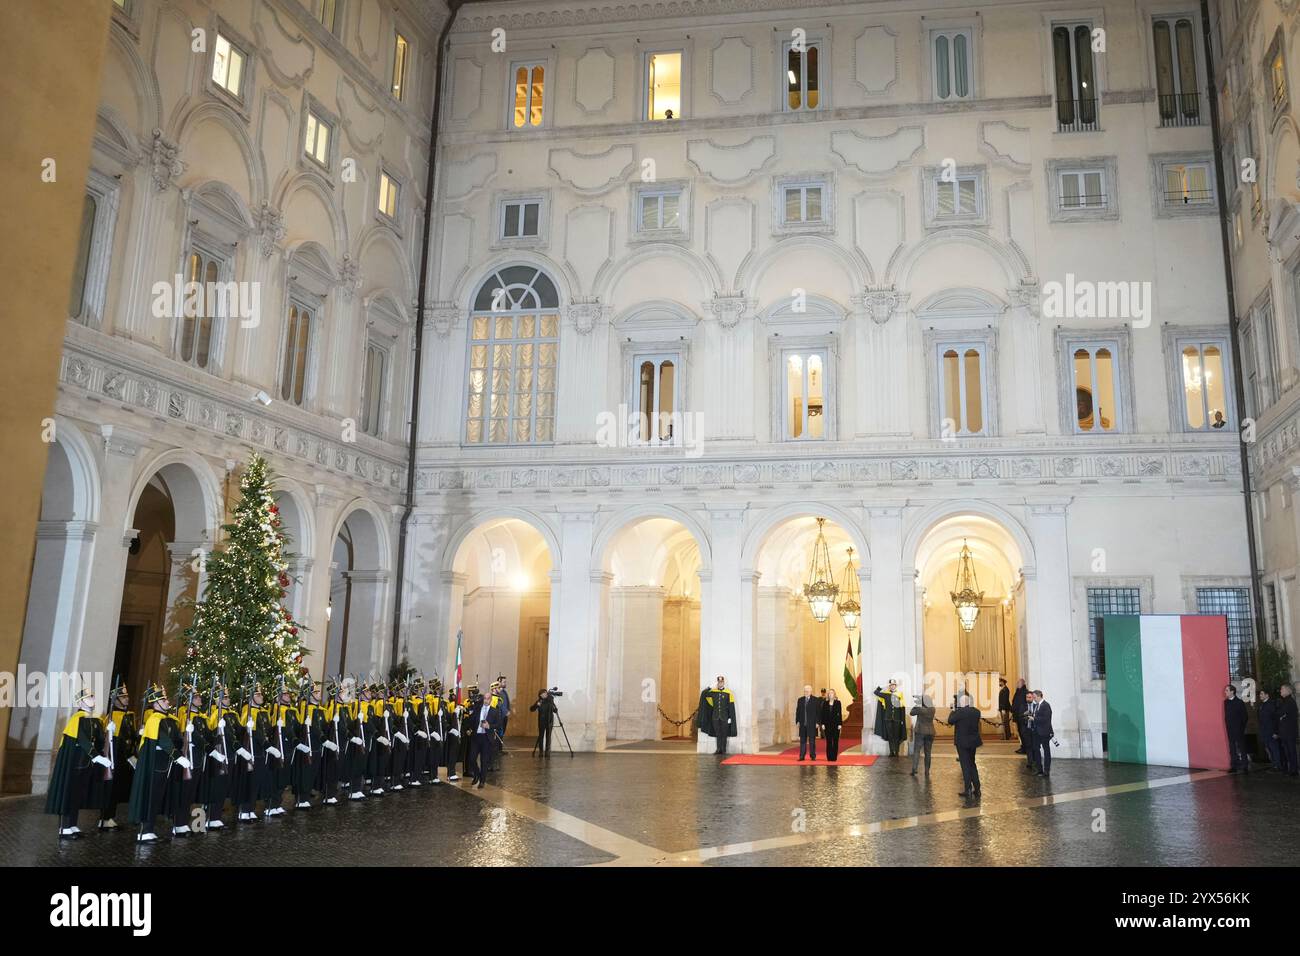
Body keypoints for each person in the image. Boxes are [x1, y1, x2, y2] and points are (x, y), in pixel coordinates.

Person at [46, 685, 110, 838]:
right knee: (70, 792)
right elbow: (82, 740)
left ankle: (72, 824)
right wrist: (97, 757)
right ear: (80, 703)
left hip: (86, 763)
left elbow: (98, 739)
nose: (92, 699)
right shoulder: (77, 719)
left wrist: (109, 731)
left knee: (77, 794)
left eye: (92, 697)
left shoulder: (94, 719)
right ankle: (65, 827)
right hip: (76, 761)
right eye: (88, 698)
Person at [128, 684, 189, 842]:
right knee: (150, 797)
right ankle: (145, 830)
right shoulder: (155, 720)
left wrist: (186, 733)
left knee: (158, 798)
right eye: (163, 700)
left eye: (166, 699)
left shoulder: (169, 720)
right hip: (155, 765)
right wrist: (178, 757)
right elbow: (164, 741)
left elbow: (176, 739)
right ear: (155, 704)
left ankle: (151, 828)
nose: (167, 702)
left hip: (166, 765)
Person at [97, 682, 136, 830]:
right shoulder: (113, 716)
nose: (127, 698)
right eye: (123, 696)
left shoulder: (128, 715)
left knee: (118, 789)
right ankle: (105, 818)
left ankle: (110, 816)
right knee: (110, 789)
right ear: (116, 700)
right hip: (115, 758)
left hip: (125, 759)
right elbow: (112, 742)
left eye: (126, 696)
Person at [947, 693, 982, 799]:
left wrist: (953, 710)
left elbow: (950, 720)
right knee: (972, 764)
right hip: (973, 742)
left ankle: (968, 789)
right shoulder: (977, 712)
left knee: (965, 766)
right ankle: (977, 788)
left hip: (962, 743)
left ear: (961, 703)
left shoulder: (959, 712)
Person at [469, 689, 502, 788]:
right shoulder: (477, 709)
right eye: (485, 699)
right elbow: (471, 721)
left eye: (488, 699)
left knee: (484, 761)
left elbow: (499, 725)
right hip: (476, 737)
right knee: (471, 759)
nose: (486, 701)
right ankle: (477, 774)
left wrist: (489, 726)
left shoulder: (494, 711)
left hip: (487, 738)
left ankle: (482, 781)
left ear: (491, 700)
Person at [696, 676, 737, 754]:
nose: (720, 683)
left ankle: (723, 749)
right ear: (717, 683)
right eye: (719, 682)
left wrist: (730, 717)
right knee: (718, 734)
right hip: (715, 717)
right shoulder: (713, 692)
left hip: (725, 717)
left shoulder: (729, 693)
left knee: (724, 734)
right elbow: (704, 694)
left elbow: (731, 707)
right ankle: (718, 749)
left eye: (721, 682)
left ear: (724, 683)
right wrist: (709, 687)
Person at [873, 681, 907, 756]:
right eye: (891, 685)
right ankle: (891, 752)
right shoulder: (886, 694)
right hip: (888, 719)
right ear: (889, 686)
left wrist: (902, 720)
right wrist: (883, 686)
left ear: (896, 686)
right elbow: (875, 692)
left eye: (894, 685)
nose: (892, 686)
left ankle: (897, 752)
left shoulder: (899, 694)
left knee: (897, 736)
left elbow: (902, 708)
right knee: (890, 736)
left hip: (897, 719)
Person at [1224, 684, 1250, 773]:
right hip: (1230, 729)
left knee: (1242, 747)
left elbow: (1245, 717)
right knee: (1232, 748)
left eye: (1227, 690)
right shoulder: (1225, 702)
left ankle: (1245, 766)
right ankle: (1234, 766)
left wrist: (1241, 728)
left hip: (1239, 729)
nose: (1225, 692)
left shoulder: (1239, 702)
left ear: (1232, 691)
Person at [909, 695, 935, 776]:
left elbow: (911, 712)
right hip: (930, 732)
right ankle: (927, 771)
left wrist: (917, 704)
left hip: (920, 732)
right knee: (928, 752)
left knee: (917, 750)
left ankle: (914, 769)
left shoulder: (920, 709)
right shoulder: (933, 709)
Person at [1030, 690, 1054, 777]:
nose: (1033, 699)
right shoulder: (1036, 705)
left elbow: (1046, 719)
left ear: (1039, 696)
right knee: (1036, 750)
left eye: (1034, 697)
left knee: (1046, 751)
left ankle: (1046, 771)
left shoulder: (1046, 705)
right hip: (1036, 731)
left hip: (1044, 732)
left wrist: (1034, 719)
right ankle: (1039, 769)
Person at [1277, 684, 1298, 776]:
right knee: (1287, 752)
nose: (1280, 691)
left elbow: (1281, 713)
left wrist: (1282, 716)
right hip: (1285, 731)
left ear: (1287, 690)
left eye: (1282, 689)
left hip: (1289, 732)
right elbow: (1279, 714)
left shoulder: (1289, 701)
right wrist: (1282, 716)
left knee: (1291, 751)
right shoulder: (1285, 701)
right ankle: (1291, 769)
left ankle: (1294, 770)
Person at [795, 684, 820, 761]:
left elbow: (818, 712)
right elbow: (798, 711)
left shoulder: (815, 700)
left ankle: (813, 756)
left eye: (808, 691)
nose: (806, 692)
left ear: (811, 691)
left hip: (812, 724)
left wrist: (817, 722)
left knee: (812, 741)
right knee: (802, 741)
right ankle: (802, 756)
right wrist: (797, 721)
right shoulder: (800, 700)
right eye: (805, 691)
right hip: (802, 724)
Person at [530, 688, 557, 757]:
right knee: (541, 736)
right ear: (540, 695)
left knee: (548, 737)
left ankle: (547, 752)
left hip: (549, 721)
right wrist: (536, 705)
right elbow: (531, 709)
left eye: (545, 693)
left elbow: (555, 710)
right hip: (541, 721)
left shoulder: (550, 701)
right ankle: (541, 752)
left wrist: (553, 707)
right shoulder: (539, 701)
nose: (545, 694)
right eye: (543, 694)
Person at [1258, 689, 1280, 770]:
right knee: (1269, 749)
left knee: (1274, 749)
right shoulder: (1261, 705)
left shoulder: (1271, 704)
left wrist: (1275, 732)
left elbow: (1275, 719)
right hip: (1264, 732)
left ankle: (1277, 765)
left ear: (1267, 695)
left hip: (1271, 732)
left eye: (1262, 694)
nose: (1260, 695)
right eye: (1260, 694)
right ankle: (1274, 764)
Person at [821, 689, 844, 761]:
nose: (831, 694)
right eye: (829, 693)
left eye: (832, 693)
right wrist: (823, 724)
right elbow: (823, 714)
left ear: (834, 694)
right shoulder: (825, 703)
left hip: (836, 725)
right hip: (827, 725)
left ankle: (834, 757)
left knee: (835, 741)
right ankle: (829, 757)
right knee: (829, 741)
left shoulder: (838, 703)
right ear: (828, 695)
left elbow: (840, 713)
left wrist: (840, 724)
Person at [1011, 678, 1030, 757]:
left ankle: (1026, 748)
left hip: (1022, 717)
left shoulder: (1025, 692)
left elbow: (1024, 704)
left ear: (1022, 684)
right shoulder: (1018, 691)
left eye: (1018, 683)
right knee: (1021, 733)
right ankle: (1023, 747)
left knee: (1023, 733)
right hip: (1018, 716)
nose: (1017, 684)